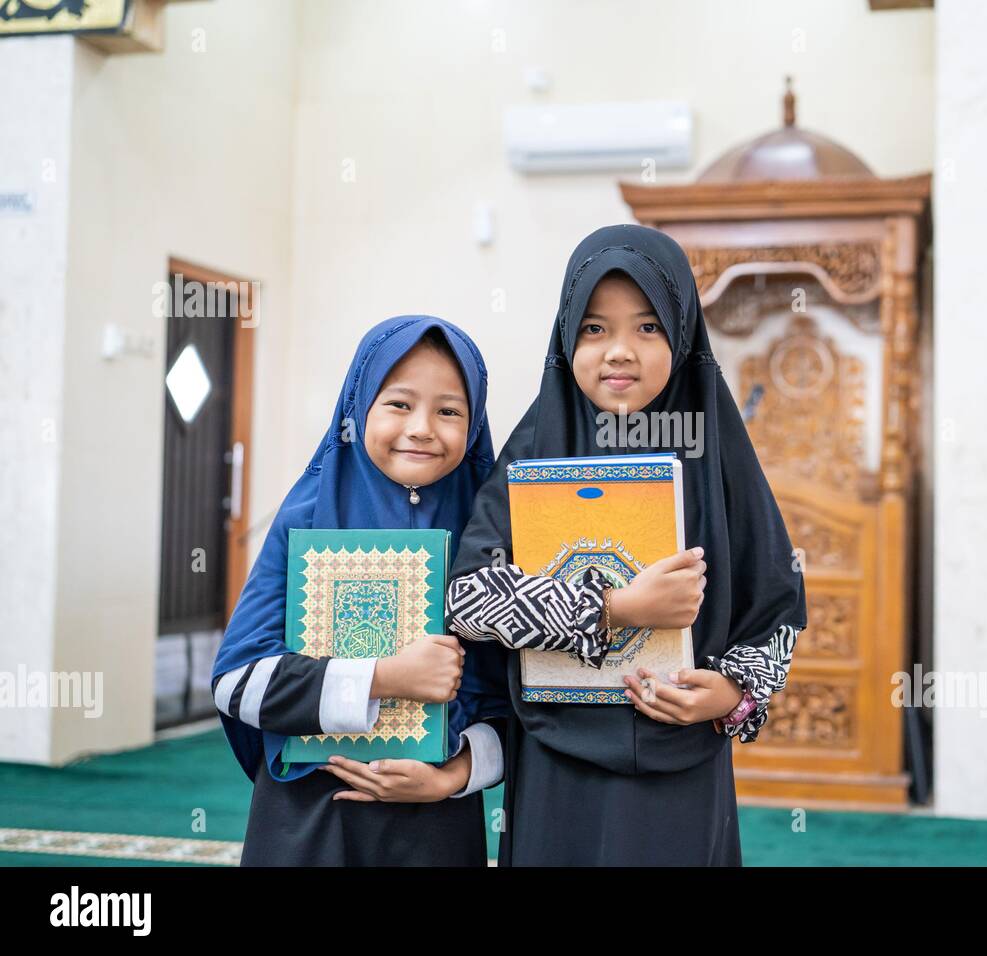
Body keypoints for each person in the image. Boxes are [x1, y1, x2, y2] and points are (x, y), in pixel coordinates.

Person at [447, 225, 806, 865]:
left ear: (683, 333)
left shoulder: (715, 452)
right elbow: (469, 599)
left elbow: (776, 610)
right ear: (565, 336)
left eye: (647, 328)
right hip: (559, 761)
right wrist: (612, 608)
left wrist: (732, 694)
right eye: (594, 329)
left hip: (684, 761)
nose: (619, 351)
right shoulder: (535, 448)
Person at [211, 316, 511, 866]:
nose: (421, 427)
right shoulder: (306, 520)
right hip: (309, 820)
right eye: (398, 403)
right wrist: (386, 677)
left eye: (449, 410)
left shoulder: (487, 537)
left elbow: (514, 702)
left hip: (435, 828)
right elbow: (235, 684)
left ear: (473, 426)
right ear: (357, 408)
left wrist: (454, 774)